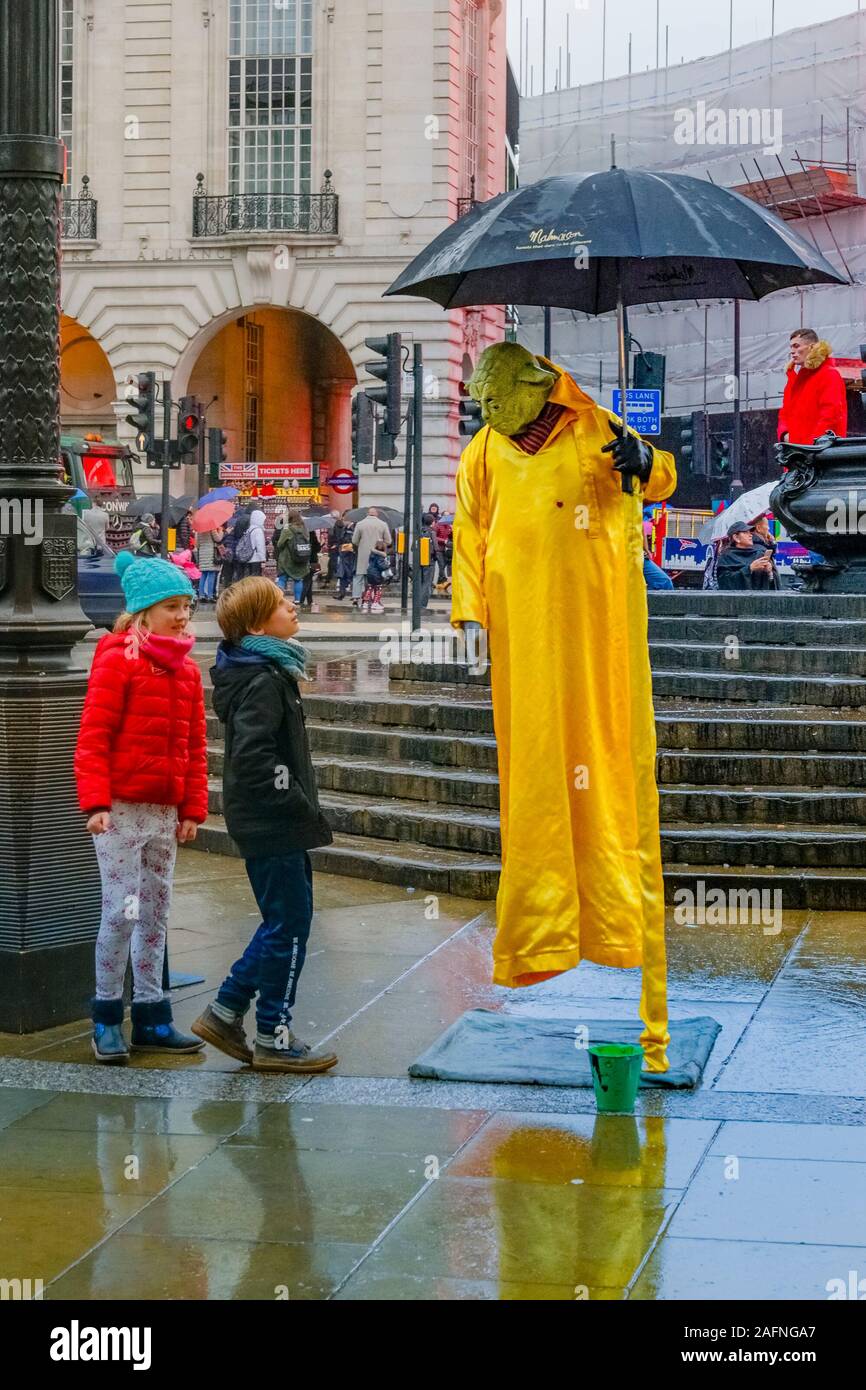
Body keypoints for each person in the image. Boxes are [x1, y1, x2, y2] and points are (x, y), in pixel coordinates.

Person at [452, 340, 676, 1073]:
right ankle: (542, 930)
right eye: (481, 402)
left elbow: (660, 473)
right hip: (523, 634)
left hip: (592, 626)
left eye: (497, 397)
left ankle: (615, 929)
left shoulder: (595, 426)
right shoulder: (483, 450)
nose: (488, 411)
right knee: (537, 773)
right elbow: (469, 532)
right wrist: (472, 615)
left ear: (537, 385)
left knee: (606, 764)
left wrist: (644, 466)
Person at [190, 577, 338, 1074]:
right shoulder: (264, 679)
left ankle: (225, 1010)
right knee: (289, 928)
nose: (292, 605)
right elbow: (257, 759)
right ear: (257, 624)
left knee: (285, 922)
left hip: (272, 822)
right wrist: (293, 801)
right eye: (281, 603)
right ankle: (273, 1034)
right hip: (274, 822)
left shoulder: (267, 668)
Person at [73, 552, 208, 1063]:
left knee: (156, 912)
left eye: (186, 606)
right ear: (144, 611)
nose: (181, 616)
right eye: (171, 606)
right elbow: (94, 737)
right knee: (122, 911)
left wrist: (192, 809)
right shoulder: (117, 660)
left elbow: (195, 747)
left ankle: (152, 1017)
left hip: (163, 814)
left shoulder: (189, 673)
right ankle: (107, 1017)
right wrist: (96, 803)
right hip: (120, 812)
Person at [778, 328, 847, 446]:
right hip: (797, 454)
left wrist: (812, 446)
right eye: (791, 347)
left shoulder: (828, 374)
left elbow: (830, 415)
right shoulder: (794, 380)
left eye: (796, 346)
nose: (792, 351)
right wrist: (784, 434)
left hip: (818, 454)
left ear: (812, 347)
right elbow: (784, 413)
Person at [716, 521, 775, 590]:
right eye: (745, 532)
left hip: (760, 599)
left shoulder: (759, 553)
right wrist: (750, 569)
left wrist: (769, 572)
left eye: (750, 532)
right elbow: (725, 583)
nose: (750, 535)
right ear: (736, 537)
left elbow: (772, 583)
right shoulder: (726, 557)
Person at [351, 507, 392, 605]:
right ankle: (372, 598)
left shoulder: (360, 524)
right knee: (374, 577)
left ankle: (356, 597)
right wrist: (381, 544)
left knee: (359, 576)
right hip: (377, 554)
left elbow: (354, 541)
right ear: (377, 514)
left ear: (367, 514)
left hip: (363, 553)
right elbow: (389, 541)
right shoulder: (383, 524)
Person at [275, 509, 311, 600]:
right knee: (298, 579)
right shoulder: (304, 528)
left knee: (282, 579)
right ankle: (297, 600)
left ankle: (279, 599)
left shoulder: (287, 529)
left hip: (287, 559)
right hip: (301, 557)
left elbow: (280, 544)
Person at [750, 514, 781, 591]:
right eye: (767, 525)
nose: (769, 528)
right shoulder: (759, 550)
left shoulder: (762, 545)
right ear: (758, 528)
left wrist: (772, 543)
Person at [360, 538, 391, 613]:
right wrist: (387, 565)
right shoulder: (381, 556)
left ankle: (365, 602)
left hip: (370, 573)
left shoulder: (372, 554)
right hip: (376, 574)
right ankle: (375, 603)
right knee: (378, 589)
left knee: (370, 588)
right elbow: (381, 566)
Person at [197, 524, 224, 602]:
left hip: (202, 552)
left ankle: (201, 595)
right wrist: (221, 531)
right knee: (211, 573)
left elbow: (197, 543)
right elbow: (218, 539)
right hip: (211, 553)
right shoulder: (212, 528)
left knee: (204, 574)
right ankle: (210, 595)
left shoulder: (199, 530)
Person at [419, 511, 437, 610]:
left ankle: (418, 602)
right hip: (430, 561)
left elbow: (414, 547)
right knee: (427, 583)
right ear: (432, 522)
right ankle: (422, 604)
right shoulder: (432, 532)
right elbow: (436, 547)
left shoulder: (419, 532)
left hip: (420, 561)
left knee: (421, 582)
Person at [300, 529, 321, 609]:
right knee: (307, 581)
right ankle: (301, 600)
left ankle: (310, 600)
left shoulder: (300, 533)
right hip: (312, 561)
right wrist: (319, 543)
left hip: (303, 559)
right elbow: (317, 548)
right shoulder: (312, 533)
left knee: (308, 580)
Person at [335, 520, 356, 599]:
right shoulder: (344, 528)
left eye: (345, 519)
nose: (343, 521)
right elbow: (340, 538)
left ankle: (354, 595)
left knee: (350, 574)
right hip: (344, 554)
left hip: (351, 555)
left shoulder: (354, 527)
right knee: (342, 574)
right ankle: (342, 593)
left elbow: (354, 540)